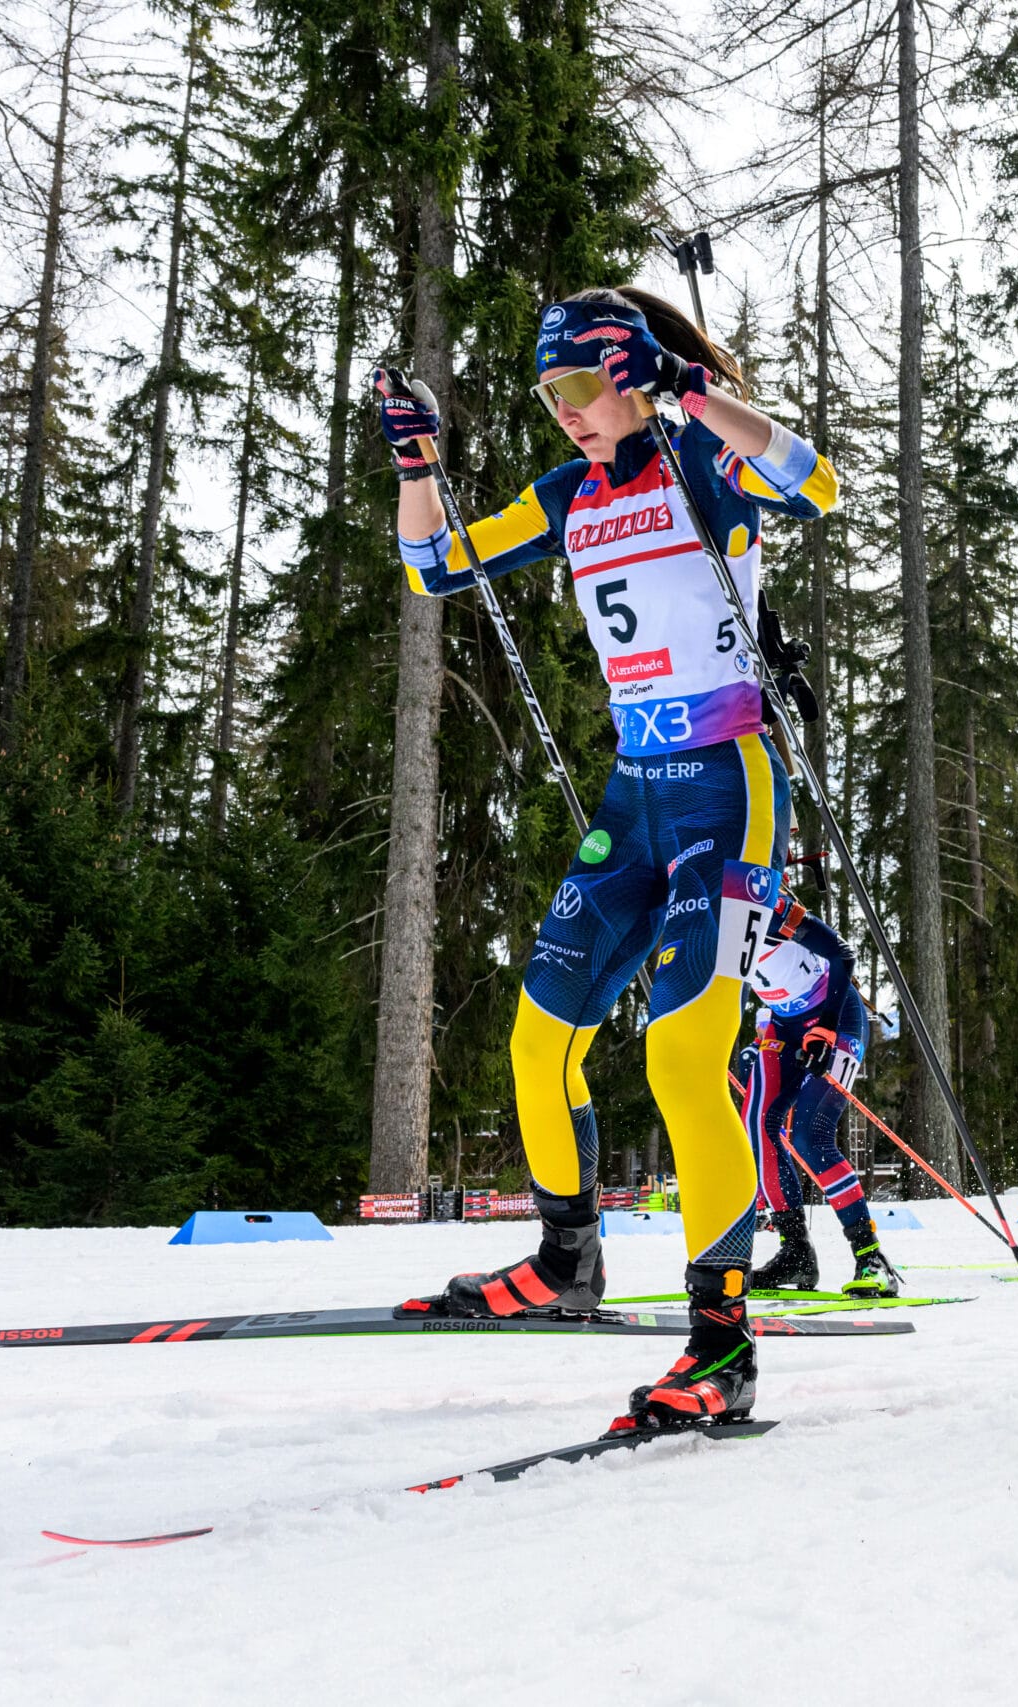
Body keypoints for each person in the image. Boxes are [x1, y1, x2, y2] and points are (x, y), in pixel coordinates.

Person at [378, 287, 840, 1434]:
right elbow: (433, 563)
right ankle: (564, 1260)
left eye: (581, 386)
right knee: (541, 1039)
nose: (567, 412)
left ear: (632, 375)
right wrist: (415, 459)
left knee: (683, 1056)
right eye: (551, 395)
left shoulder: (703, 465)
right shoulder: (568, 494)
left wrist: (695, 393)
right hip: (634, 799)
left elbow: (813, 482)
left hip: (728, 796)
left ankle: (722, 1342)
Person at [739, 892, 900, 1299]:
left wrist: (826, 1026)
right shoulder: (708, 921)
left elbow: (843, 955)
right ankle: (795, 1252)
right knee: (756, 1126)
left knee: (811, 1136)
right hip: (783, 1025)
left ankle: (871, 1257)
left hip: (837, 1016)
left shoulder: (765, 904)